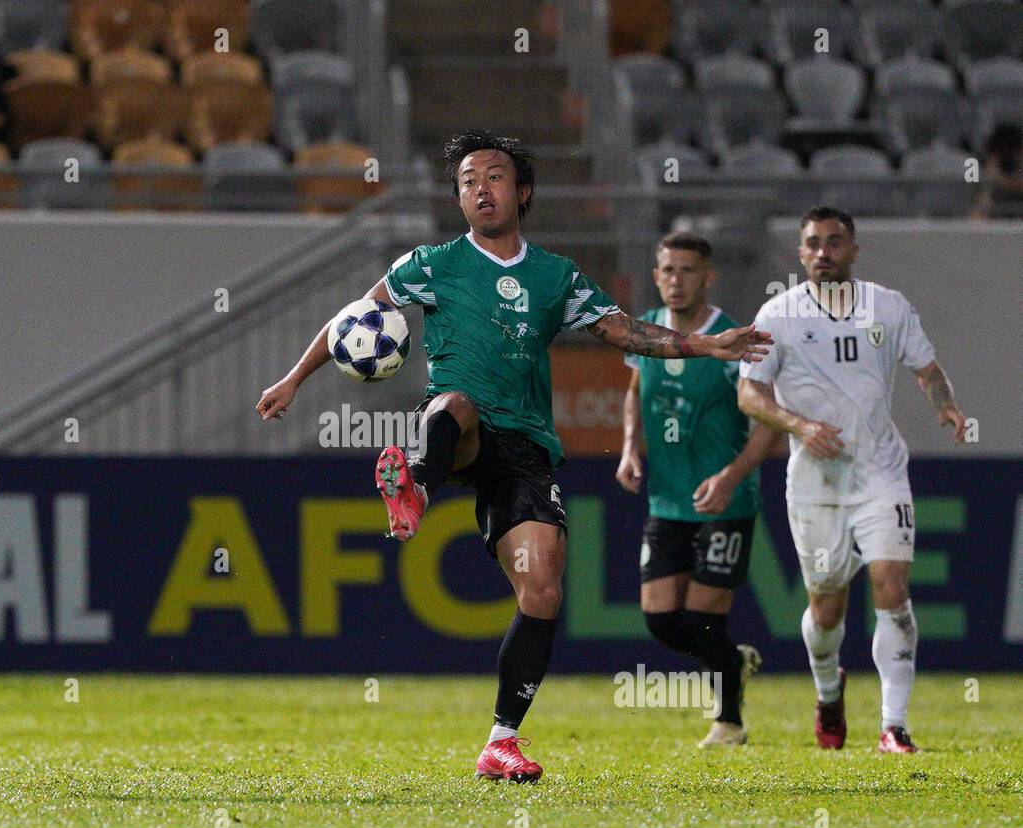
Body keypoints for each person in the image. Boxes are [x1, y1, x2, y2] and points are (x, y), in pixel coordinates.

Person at [257, 129, 772, 782]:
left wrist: (706, 345)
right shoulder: (431, 264)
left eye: (494, 176)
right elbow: (352, 319)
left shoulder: (555, 276)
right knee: (455, 407)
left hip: (526, 451)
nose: (480, 187)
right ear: (459, 196)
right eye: (468, 179)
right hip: (462, 432)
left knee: (543, 587)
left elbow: (623, 331)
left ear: (522, 192)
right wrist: (293, 380)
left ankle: (502, 740)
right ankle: (415, 486)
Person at [737, 207, 969, 753]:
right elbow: (749, 393)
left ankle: (894, 726)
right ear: (800, 254)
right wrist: (799, 426)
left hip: (881, 474)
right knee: (826, 609)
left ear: (853, 250)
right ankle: (827, 690)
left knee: (891, 588)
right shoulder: (778, 314)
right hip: (816, 486)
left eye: (835, 242)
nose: (824, 252)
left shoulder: (888, 307)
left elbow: (927, 370)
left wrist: (948, 407)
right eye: (813, 243)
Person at [616, 231, 779, 746]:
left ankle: (728, 722)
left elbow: (769, 423)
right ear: (656, 274)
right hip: (668, 498)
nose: (676, 280)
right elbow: (635, 391)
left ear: (708, 278)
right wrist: (628, 448)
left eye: (688, 271)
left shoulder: (735, 341)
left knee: (704, 620)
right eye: (667, 270)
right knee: (661, 621)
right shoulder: (647, 332)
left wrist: (732, 477)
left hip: (723, 502)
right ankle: (736, 662)